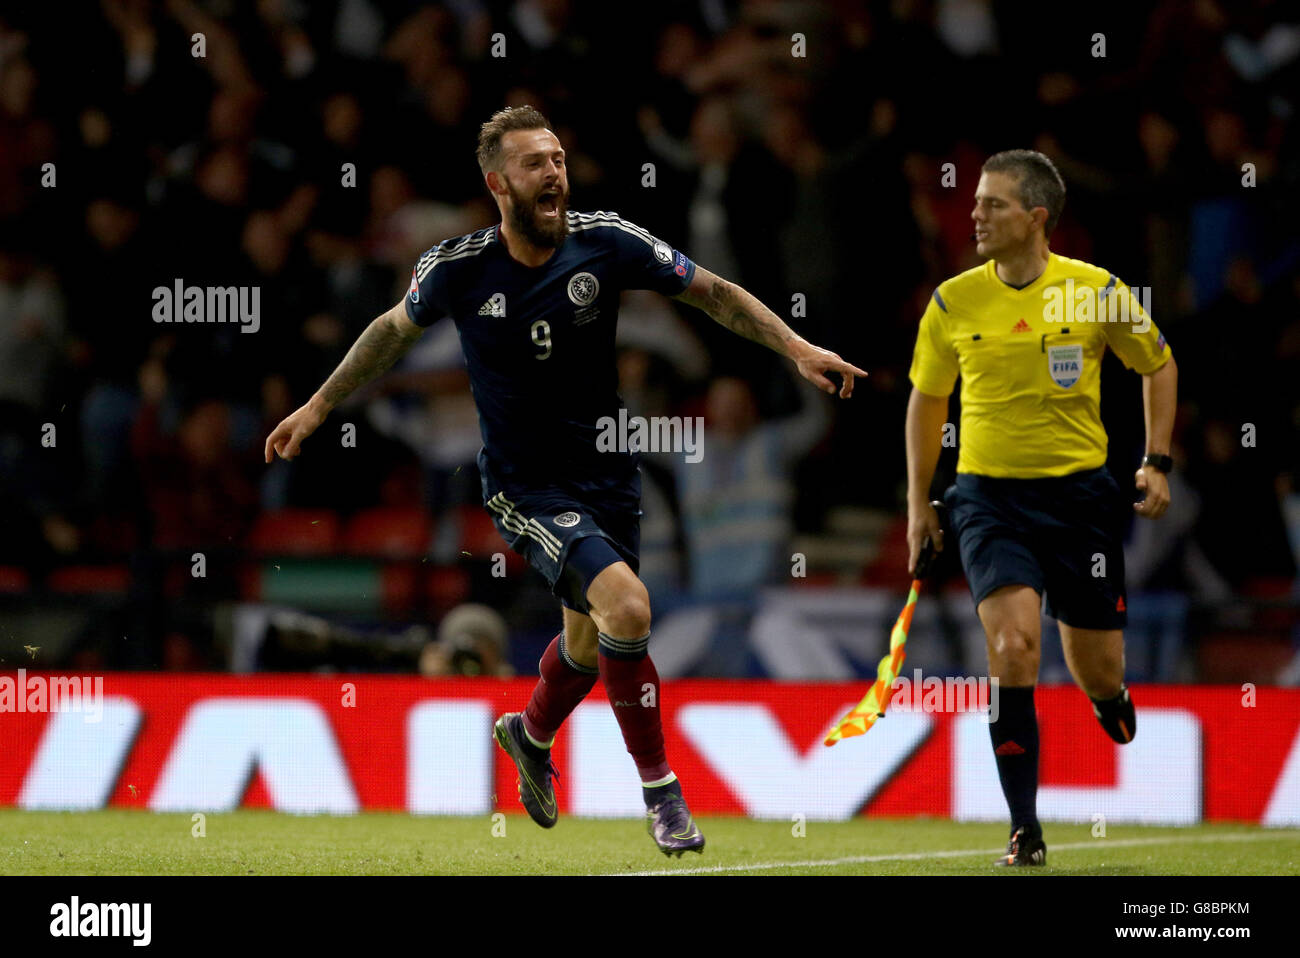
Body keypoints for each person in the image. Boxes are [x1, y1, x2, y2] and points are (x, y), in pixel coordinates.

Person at [265, 105, 866, 857]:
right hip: (526, 486)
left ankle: (529, 731)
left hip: (610, 477)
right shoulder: (456, 267)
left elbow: (710, 291)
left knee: (588, 641)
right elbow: (391, 331)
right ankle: (662, 795)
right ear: (497, 183)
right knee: (630, 607)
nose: (554, 173)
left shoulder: (606, 242)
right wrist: (319, 406)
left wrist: (796, 347)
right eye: (533, 164)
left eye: (557, 159)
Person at [904, 150, 1178, 867]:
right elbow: (927, 401)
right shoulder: (953, 301)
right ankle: (1025, 829)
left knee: (1097, 670)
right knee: (1013, 647)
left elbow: (1158, 363)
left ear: (1036, 218)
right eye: (975, 203)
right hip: (988, 500)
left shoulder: (1094, 292)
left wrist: (1157, 460)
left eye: (994, 205)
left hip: (1082, 501)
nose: (975, 215)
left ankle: (1107, 694)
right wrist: (917, 504)